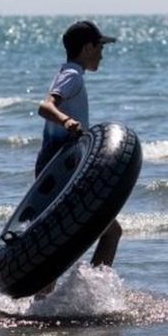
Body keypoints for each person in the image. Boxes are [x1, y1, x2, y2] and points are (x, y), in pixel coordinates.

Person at [33, 20, 120, 296]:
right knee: (110, 232)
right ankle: (85, 296)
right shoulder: (73, 75)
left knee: (61, 239)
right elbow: (45, 106)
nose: (102, 54)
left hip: (58, 168)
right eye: (99, 47)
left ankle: (45, 304)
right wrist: (67, 121)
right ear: (87, 48)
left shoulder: (70, 73)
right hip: (61, 171)